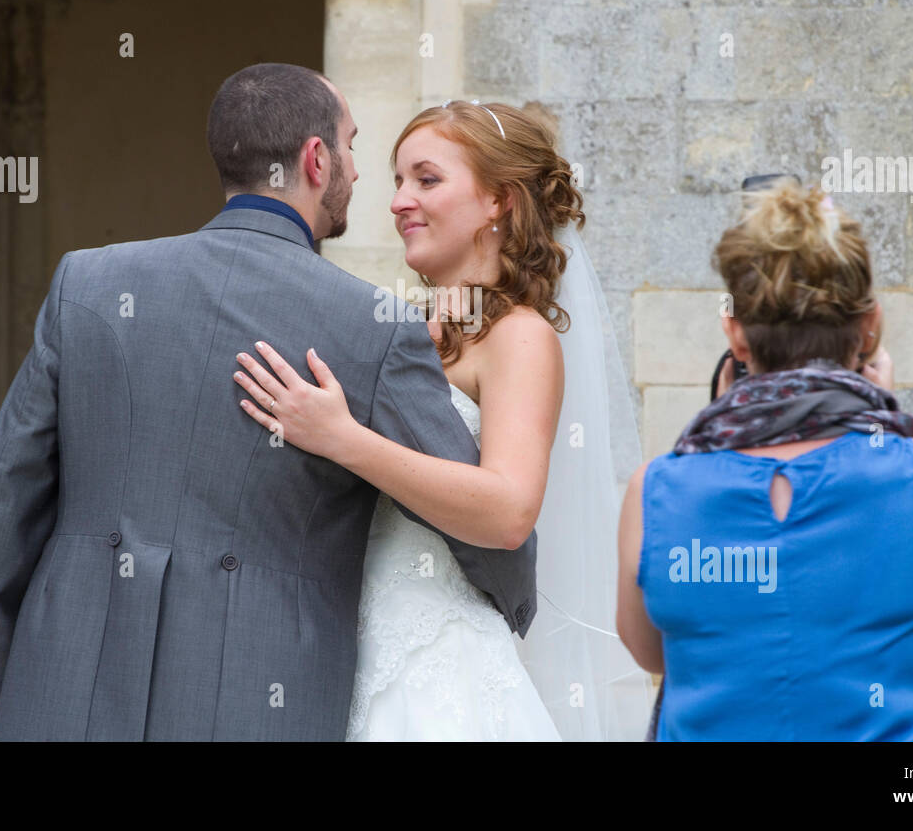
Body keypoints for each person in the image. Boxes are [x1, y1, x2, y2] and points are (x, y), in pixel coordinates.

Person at [0, 63, 537, 740]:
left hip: (66, 681)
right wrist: (512, 608)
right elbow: (489, 532)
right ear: (316, 160)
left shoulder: (86, 282)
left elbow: (8, 489)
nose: (361, 173)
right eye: (351, 146)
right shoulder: (371, 326)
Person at [234, 100, 651, 740]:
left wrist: (343, 439)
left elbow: (509, 512)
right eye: (398, 181)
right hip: (339, 656)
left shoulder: (519, 336)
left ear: (498, 203)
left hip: (439, 667)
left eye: (427, 180)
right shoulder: (394, 329)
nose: (400, 201)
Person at [614, 176, 913, 741]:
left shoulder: (657, 489)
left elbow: (651, 651)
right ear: (870, 327)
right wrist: (880, 419)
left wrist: (734, 430)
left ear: (736, 337)